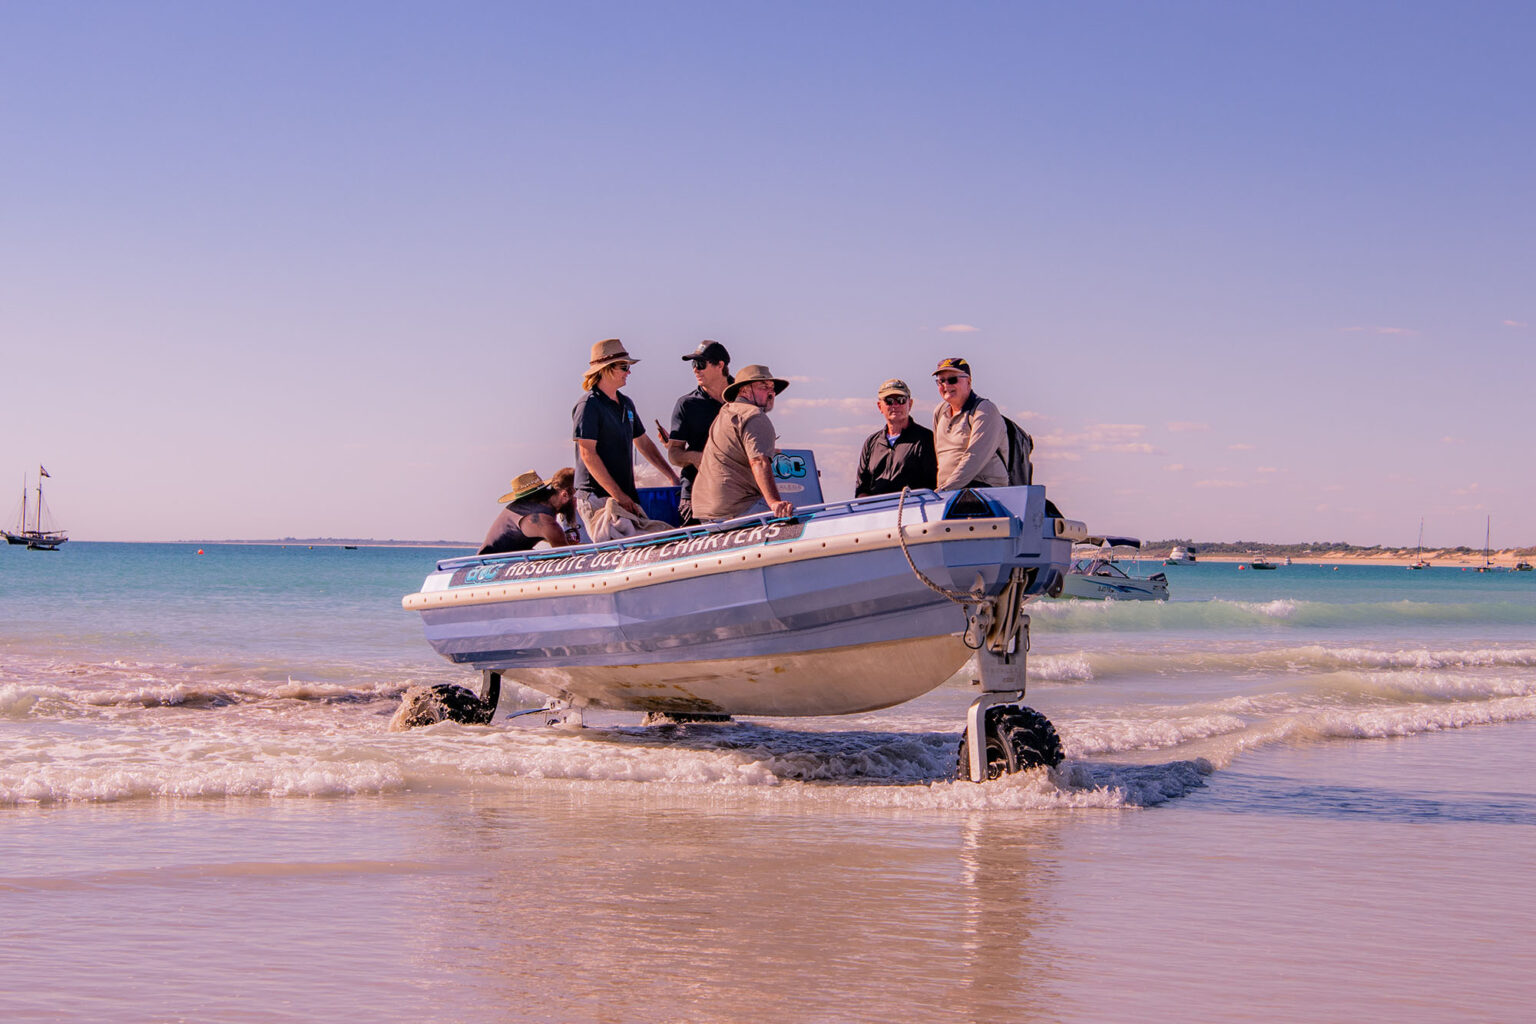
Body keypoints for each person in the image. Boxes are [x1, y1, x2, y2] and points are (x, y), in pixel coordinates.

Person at [572, 338, 680, 541]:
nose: (629, 371)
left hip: (624, 497)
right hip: (597, 497)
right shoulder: (589, 405)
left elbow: (643, 442)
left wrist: (671, 475)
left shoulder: (626, 403)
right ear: (605, 369)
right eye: (624, 366)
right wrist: (619, 495)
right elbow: (587, 453)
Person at [691, 364, 795, 522]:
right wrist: (774, 503)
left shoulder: (725, 413)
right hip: (738, 509)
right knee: (799, 513)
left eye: (772, 388)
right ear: (744, 390)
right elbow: (759, 462)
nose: (771, 393)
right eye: (764, 386)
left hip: (705, 515)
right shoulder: (754, 415)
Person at [665, 340, 732, 524]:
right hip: (696, 492)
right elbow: (674, 454)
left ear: (720, 365)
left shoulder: (743, 396)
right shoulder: (686, 404)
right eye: (693, 365)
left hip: (739, 489)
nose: (695, 369)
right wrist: (699, 458)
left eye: (701, 364)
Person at [931, 357, 1007, 490]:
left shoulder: (985, 409)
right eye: (941, 381)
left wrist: (946, 490)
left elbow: (974, 457)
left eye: (952, 380)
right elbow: (938, 454)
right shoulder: (940, 411)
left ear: (969, 382)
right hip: (949, 494)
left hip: (983, 491)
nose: (946, 385)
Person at [854, 378, 937, 497]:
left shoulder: (926, 439)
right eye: (889, 401)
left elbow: (932, 485)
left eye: (901, 400)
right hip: (876, 512)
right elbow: (862, 488)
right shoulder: (871, 443)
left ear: (910, 404)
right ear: (879, 406)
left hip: (912, 509)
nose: (895, 405)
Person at [477, 469, 577, 554]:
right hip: (494, 566)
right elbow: (565, 554)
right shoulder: (544, 520)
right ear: (564, 495)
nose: (579, 502)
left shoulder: (525, 506)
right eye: (578, 496)